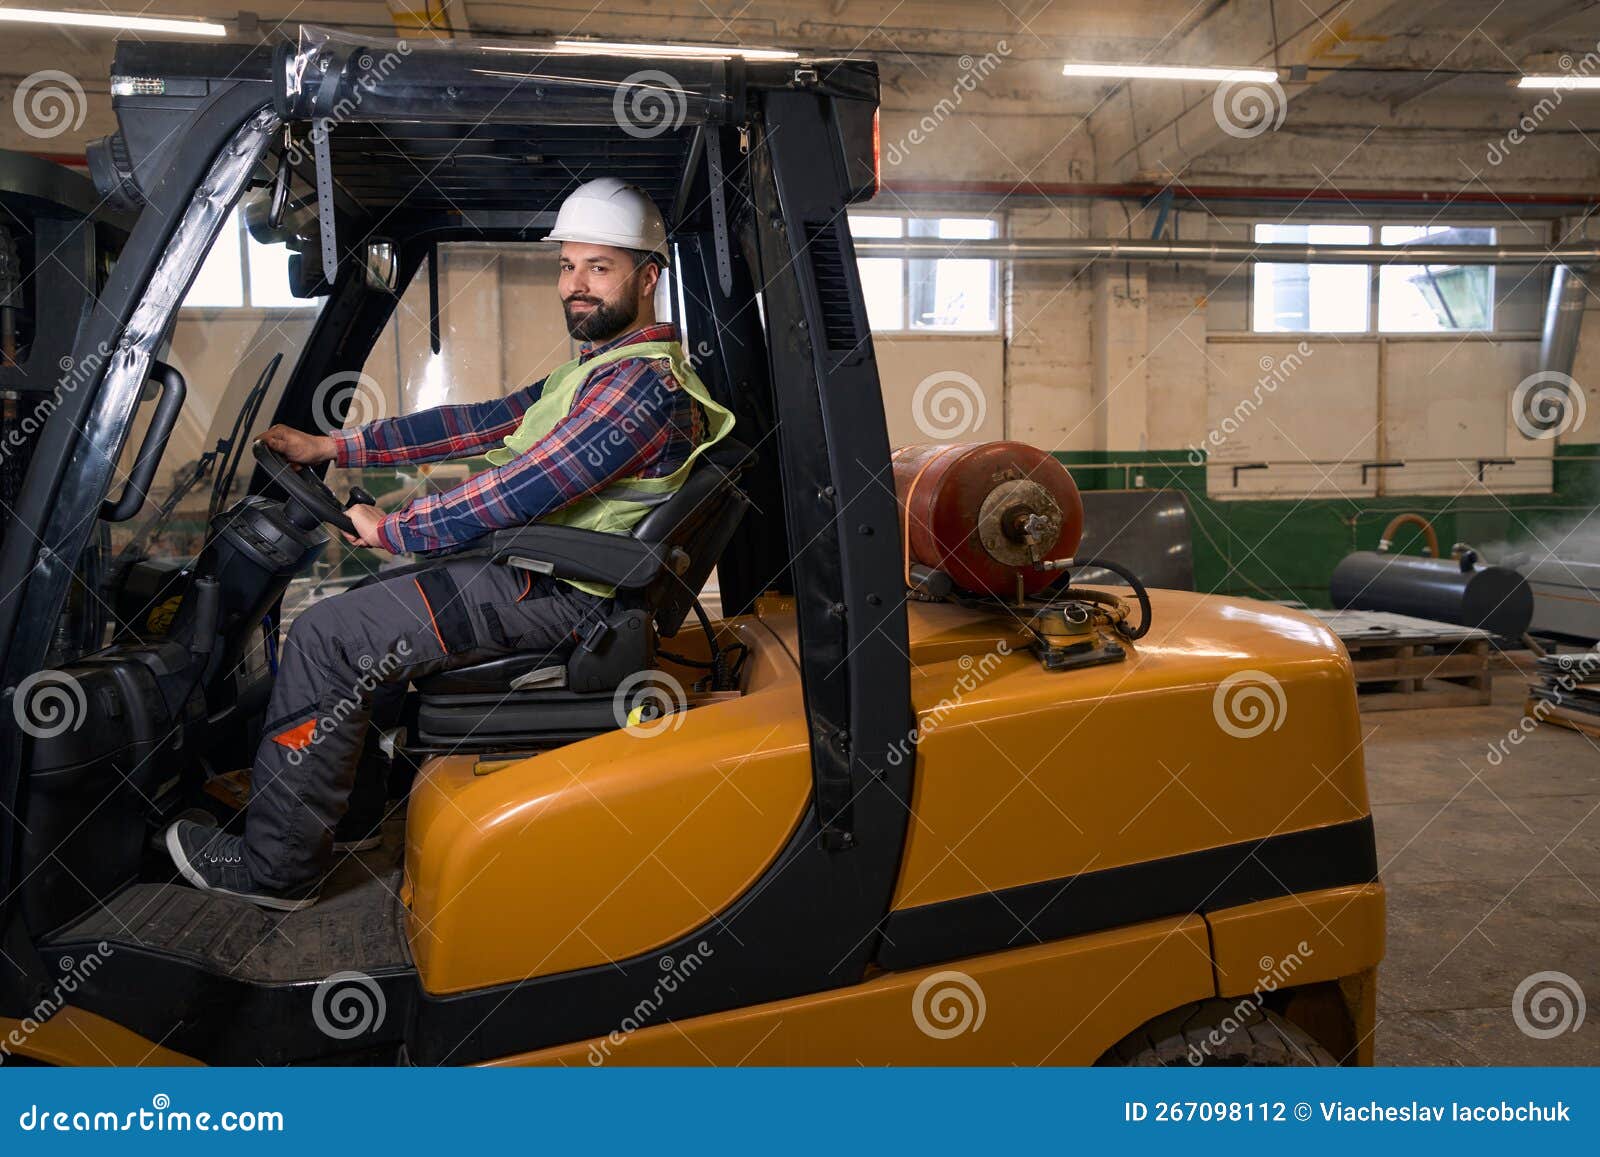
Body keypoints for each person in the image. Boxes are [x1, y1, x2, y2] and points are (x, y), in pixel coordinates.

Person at [163, 177, 735, 910]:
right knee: (361, 612)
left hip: (557, 592)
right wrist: (335, 444)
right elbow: (478, 424)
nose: (576, 286)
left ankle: (277, 871)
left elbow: (522, 489)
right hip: (536, 570)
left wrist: (392, 529)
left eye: (600, 267)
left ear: (647, 277)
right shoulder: (599, 374)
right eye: (568, 266)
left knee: (324, 636)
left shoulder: (638, 391)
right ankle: (348, 817)